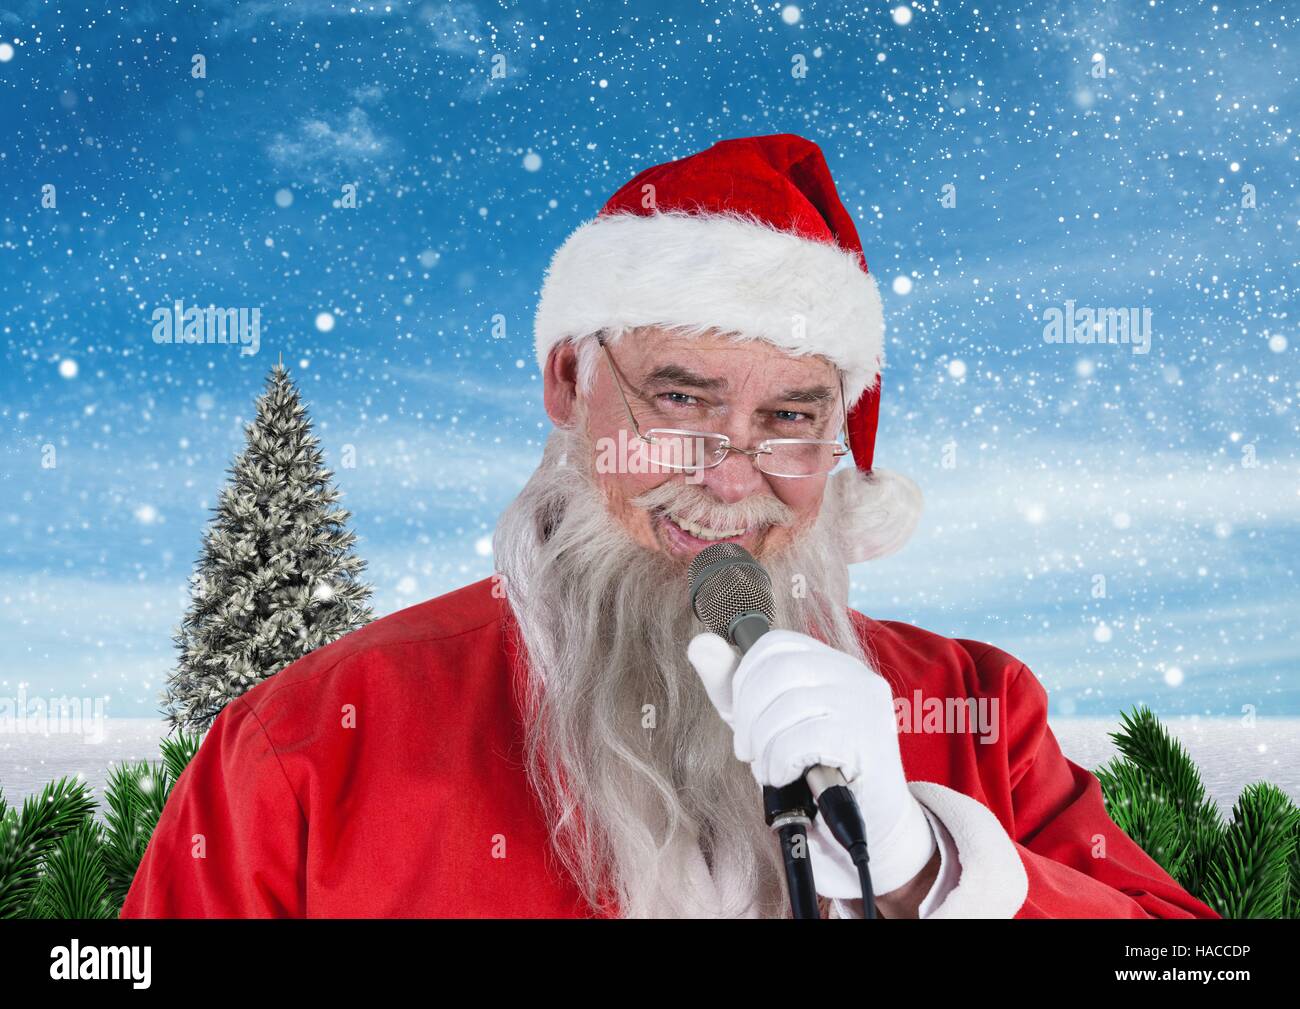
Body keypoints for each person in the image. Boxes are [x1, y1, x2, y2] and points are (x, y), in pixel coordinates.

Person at [120, 134, 1219, 919]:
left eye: (789, 418)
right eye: (680, 401)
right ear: (568, 382)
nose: (729, 473)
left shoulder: (977, 714)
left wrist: (929, 867)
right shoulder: (312, 743)